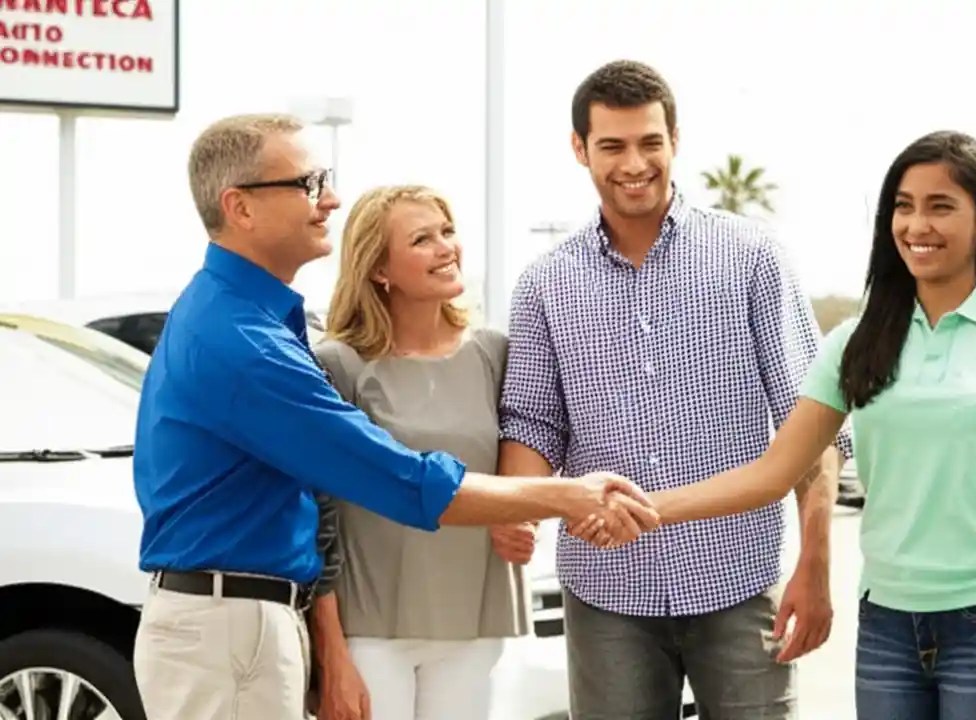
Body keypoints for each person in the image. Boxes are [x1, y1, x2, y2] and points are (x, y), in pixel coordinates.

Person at [131, 113, 657, 720]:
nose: (328, 200)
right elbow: (389, 474)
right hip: (232, 628)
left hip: (245, 621)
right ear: (240, 208)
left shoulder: (245, 319)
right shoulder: (241, 341)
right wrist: (565, 497)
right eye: (306, 184)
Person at [648, 130, 976, 719]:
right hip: (887, 626)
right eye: (903, 208)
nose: (917, 226)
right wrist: (643, 508)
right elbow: (774, 472)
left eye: (940, 207)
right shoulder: (855, 343)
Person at [498, 60, 848, 719]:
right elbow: (534, 423)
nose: (634, 163)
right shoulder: (545, 283)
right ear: (580, 149)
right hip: (606, 591)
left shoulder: (751, 255)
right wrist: (516, 507)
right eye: (612, 146)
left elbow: (814, 420)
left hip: (737, 579)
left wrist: (816, 561)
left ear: (674, 140)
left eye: (649, 142)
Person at [305, 184, 537, 720]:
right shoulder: (338, 365)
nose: (445, 247)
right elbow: (319, 515)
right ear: (380, 268)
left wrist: (524, 517)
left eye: (447, 232)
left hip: (473, 620)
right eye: (422, 239)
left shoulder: (494, 354)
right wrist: (331, 652)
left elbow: (523, 457)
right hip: (370, 627)